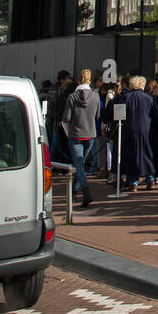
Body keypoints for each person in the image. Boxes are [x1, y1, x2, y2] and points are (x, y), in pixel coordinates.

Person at [62, 70, 101, 210]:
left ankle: (84, 192)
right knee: (81, 165)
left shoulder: (72, 97)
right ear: (89, 81)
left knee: (79, 165)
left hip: (76, 134)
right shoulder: (95, 97)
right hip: (90, 134)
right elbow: (97, 116)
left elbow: (66, 118)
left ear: (78, 81)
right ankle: (74, 192)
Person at [120, 75, 158, 192]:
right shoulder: (149, 98)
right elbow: (156, 114)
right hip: (146, 129)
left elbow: (119, 116)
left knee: (132, 154)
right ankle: (150, 179)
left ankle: (133, 182)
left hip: (129, 129)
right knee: (147, 153)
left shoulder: (125, 97)